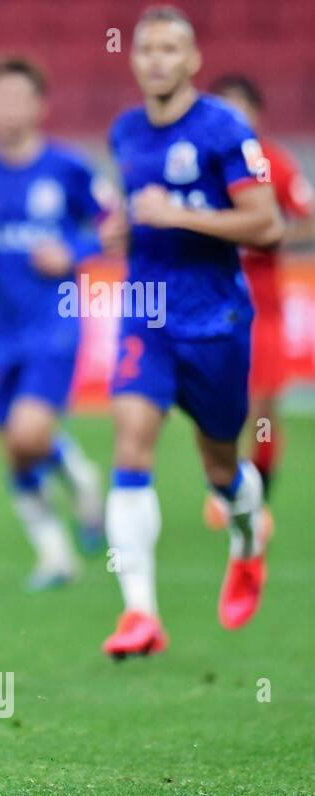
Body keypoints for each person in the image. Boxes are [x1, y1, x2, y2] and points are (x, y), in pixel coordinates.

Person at [99, 7, 283, 658]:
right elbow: (136, 214)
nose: (155, 59)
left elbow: (267, 226)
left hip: (215, 321)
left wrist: (176, 214)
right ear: (134, 58)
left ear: (192, 60)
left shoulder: (224, 129)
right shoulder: (124, 131)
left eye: (170, 48)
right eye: (146, 48)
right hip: (147, 314)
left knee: (221, 464)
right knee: (130, 446)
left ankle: (246, 539)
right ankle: (140, 615)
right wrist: (122, 231)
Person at [0, 55, 107, 591]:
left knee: (29, 430)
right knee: (15, 446)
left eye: (18, 98)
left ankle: (80, 485)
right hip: (2, 331)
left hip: (55, 326)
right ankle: (58, 547)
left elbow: (114, 227)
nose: (7, 109)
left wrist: (74, 250)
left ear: (40, 106)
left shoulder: (68, 168)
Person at [201, 74, 315, 531]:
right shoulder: (201, 163)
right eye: (223, 109)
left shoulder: (275, 163)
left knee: (264, 407)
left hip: (262, 309)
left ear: (255, 114)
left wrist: (269, 234)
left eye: (239, 109)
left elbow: (308, 220)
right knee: (216, 407)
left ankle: (257, 498)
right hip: (210, 307)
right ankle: (223, 487)